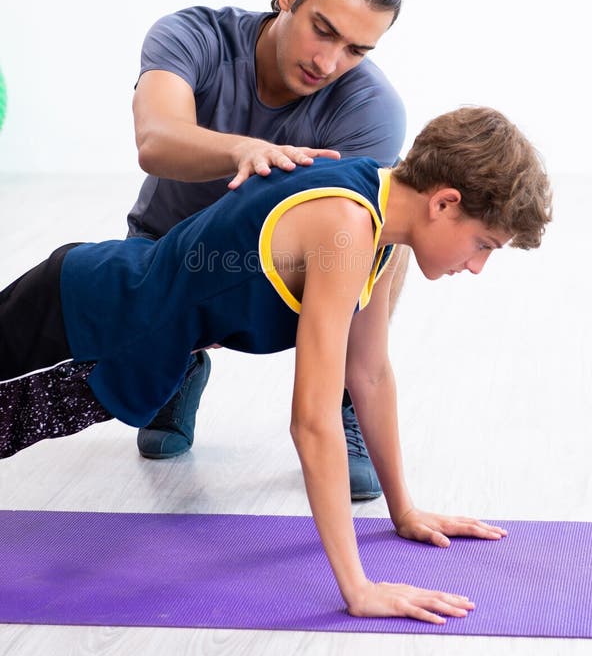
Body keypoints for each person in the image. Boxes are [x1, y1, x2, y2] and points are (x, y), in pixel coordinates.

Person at [0, 106, 552, 622]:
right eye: (483, 245)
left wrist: (403, 511)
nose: (476, 266)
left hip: (122, 323)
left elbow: (369, 373)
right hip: (89, 313)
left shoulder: (384, 226)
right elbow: (312, 422)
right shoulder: (347, 226)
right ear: (444, 203)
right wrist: (357, 589)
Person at [128, 0, 408, 501]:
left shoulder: (372, 107)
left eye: (356, 50)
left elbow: (353, 240)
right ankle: (178, 366)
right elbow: (155, 139)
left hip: (278, 270)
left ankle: (346, 400)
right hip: (171, 249)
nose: (330, 62)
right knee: (124, 359)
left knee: (388, 228)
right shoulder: (193, 35)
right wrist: (242, 150)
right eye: (323, 30)